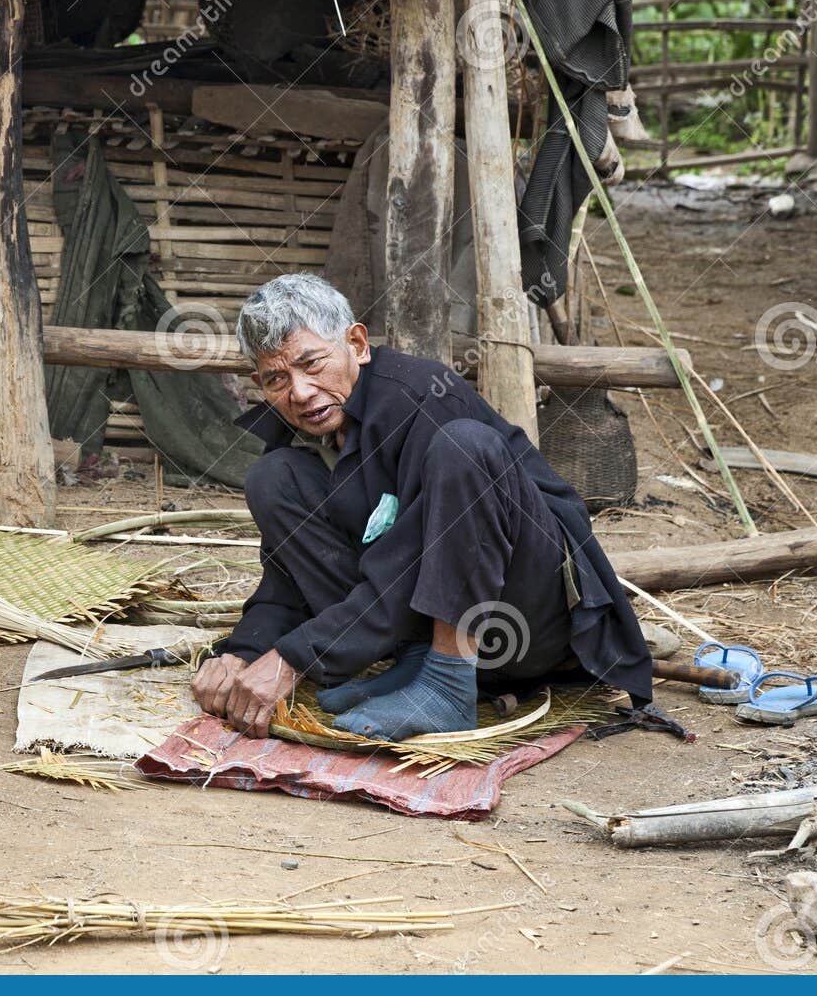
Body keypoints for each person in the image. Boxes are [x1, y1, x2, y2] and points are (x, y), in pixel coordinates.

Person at [191, 274, 651, 742]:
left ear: (357, 343)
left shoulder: (423, 398)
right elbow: (288, 575)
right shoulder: (311, 431)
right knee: (274, 478)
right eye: (277, 379)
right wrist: (245, 652)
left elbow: (409, 567)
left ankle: (448, 683)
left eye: (313, 364)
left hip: (527, 622)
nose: (301, 391)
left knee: (467, 447)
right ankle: (417, 665)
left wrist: (296, 657)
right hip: (420, 626)